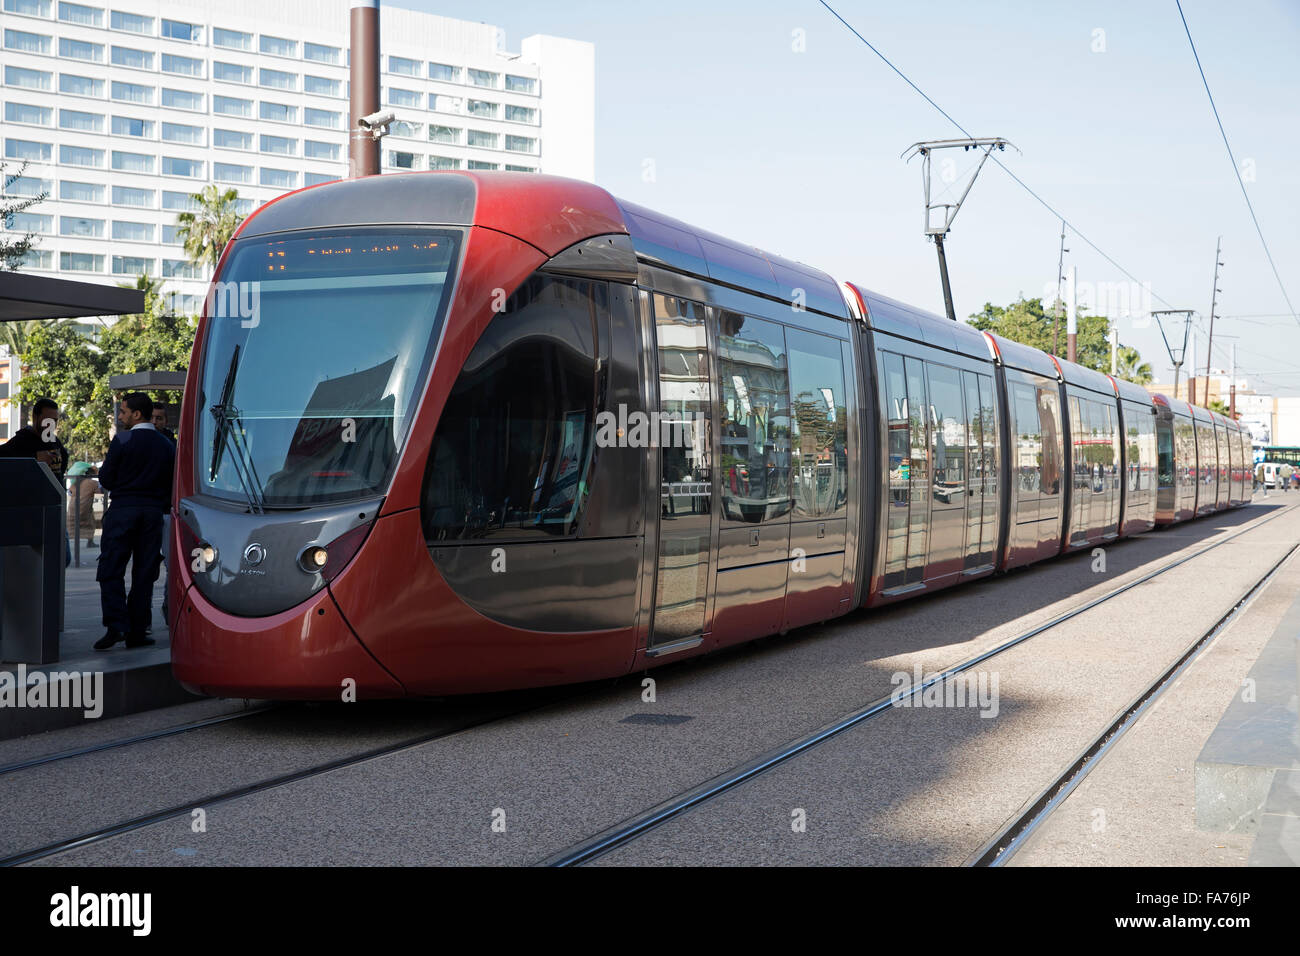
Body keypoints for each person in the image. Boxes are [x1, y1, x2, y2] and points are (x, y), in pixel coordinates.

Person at [94, 393, 175, 651]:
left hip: (122, 512)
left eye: (124, 411)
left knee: (111, 569)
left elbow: (106, 479)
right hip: (152, 515)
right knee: (144, 573)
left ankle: (116, 625)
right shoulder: (167, 445)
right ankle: (138, 631)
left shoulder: (123, 439)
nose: (120, 416)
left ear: (136, 414)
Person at [1, 398, 72, 564]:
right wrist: (33, 458)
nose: (51, 424)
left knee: (63, 557)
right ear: (36, 417)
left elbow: (63, 462)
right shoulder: (22, 440)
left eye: (54, 420)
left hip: (54, 506)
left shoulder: (53, 440)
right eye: (47, 419)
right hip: (32, 508)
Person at [66, 462, 100, 548]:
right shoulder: (93, 483)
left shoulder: (75, 483)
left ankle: (68, 543)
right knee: (90, 523)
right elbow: (100, 493)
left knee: (73, 525)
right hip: (86, 507)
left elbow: (69, 493)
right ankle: (90, 542)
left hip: (73, 506)